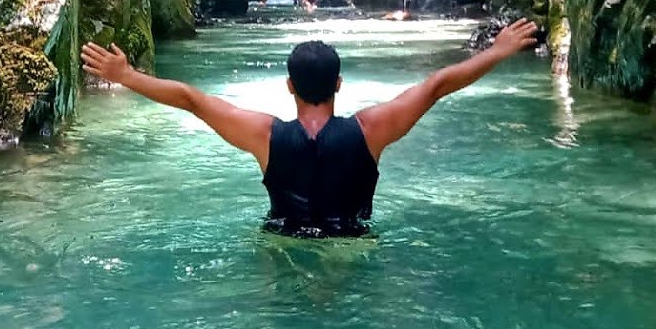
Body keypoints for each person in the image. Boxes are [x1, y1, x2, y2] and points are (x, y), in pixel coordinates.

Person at [80, 18, 541, 238]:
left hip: (284, 241)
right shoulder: (370, 130)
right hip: (352, 243)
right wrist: (498, 50)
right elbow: (438, 84)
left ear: (289, 86)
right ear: (339, 83)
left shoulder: (265, 135)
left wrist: (127, 76)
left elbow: (191, 100)